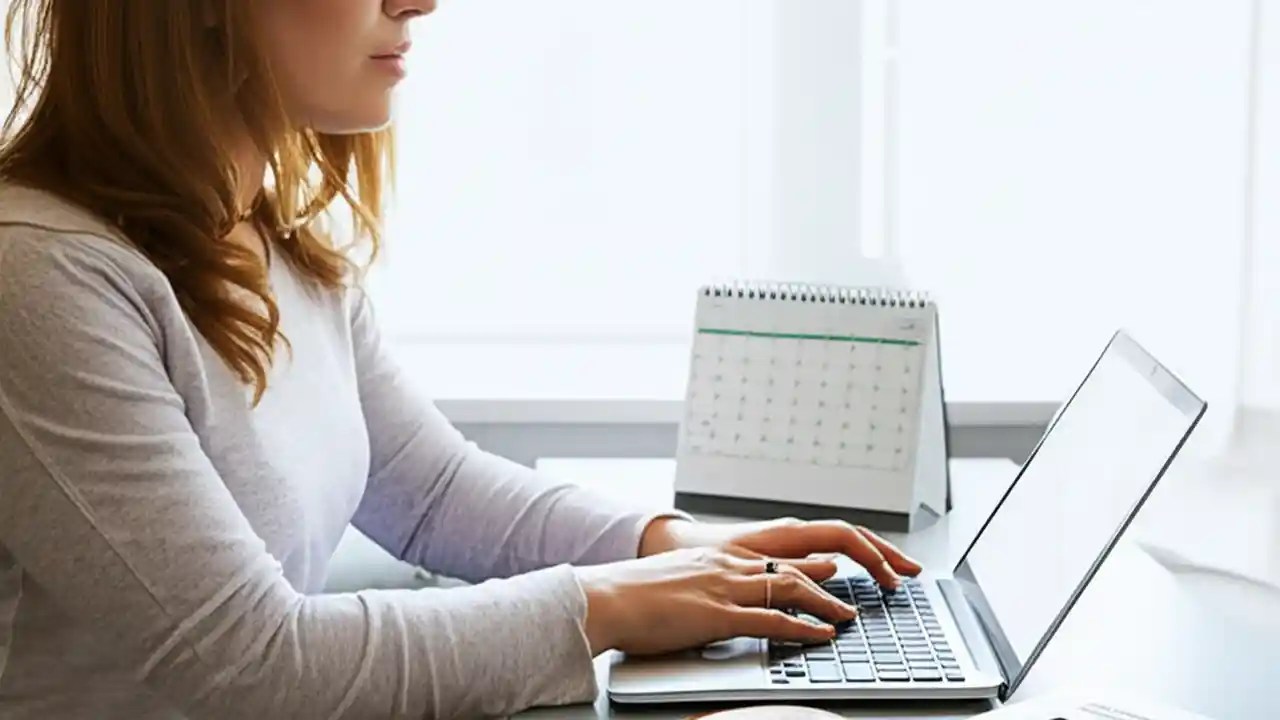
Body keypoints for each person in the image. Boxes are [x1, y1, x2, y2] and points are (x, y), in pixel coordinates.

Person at [0, 1, 923, 718]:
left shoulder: (268, 241)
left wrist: (674, 546)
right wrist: (613, 602)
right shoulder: (38, 276)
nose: (419, 2)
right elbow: (252, 664)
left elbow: (431, 491)